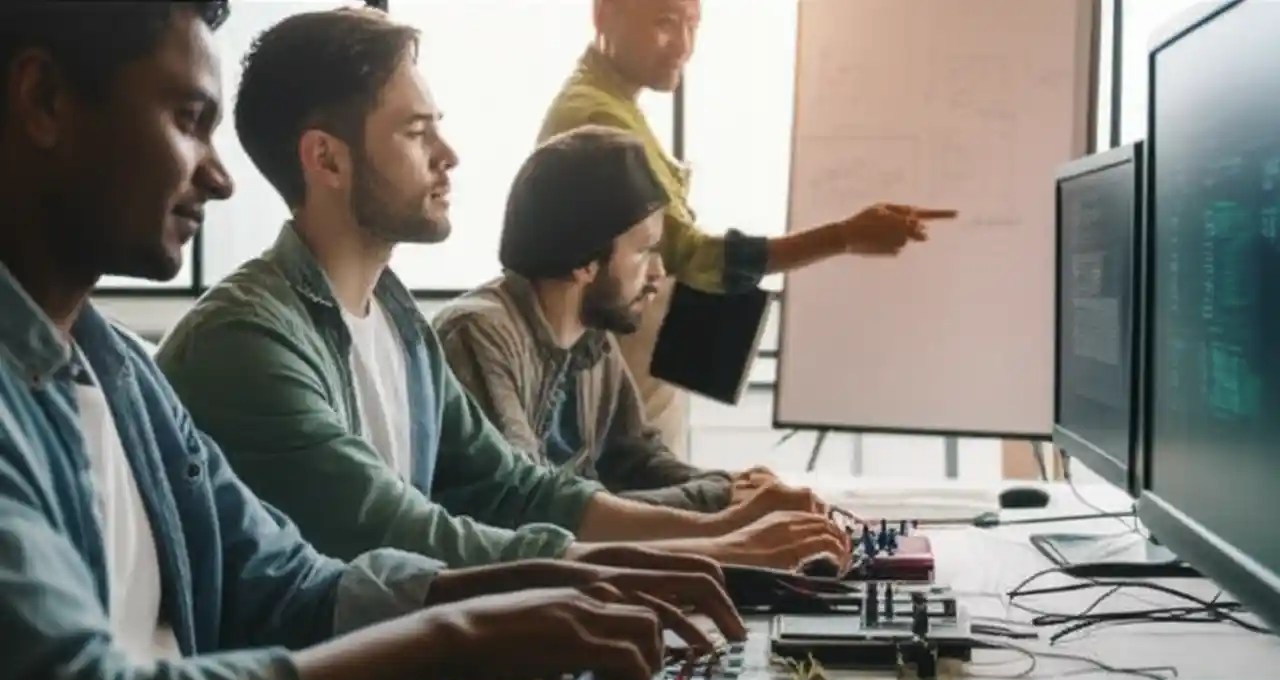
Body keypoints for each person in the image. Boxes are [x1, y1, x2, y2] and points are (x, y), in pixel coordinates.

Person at [0, 2, 748, 680]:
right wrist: (455, 637)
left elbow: (283, 582)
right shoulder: (241, 342)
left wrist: (562, 578)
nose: (220, 177)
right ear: (44, 102)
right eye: (188, 121)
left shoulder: (120, 372)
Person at [156, 7, 852, 573]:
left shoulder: (399, 322)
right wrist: (714, 551)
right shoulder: (247, 340)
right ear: (327, 159)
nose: (449, 154)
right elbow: (407, 537)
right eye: (417, 131)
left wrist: (725, 521)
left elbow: (517, 489)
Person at [539, 0, 959, 455]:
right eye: (664, 22)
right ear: (605, 16)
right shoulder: (596, 118)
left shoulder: (614, 105)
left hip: (637, 373)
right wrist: (844, 237)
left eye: (693, 25)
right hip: (618, 383)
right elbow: (692, 255)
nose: (683, 45)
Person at [435, 126, 796, 514]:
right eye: (644, 251)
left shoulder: (592, 338)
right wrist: (716, 497)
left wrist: (733, 486)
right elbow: (531, 505)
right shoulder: (478, 335)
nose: (658, 271)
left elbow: (635, 459)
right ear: (585, 262)